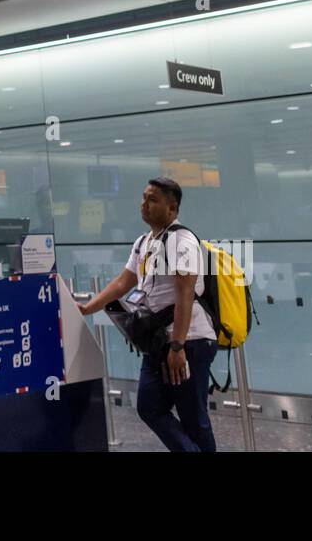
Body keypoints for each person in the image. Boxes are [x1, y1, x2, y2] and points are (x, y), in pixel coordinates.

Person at [77, 177, 217, 452]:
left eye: (152, 200)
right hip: (158, 341)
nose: (144, 204)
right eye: (143, 198)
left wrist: (177, 346)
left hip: (189, 341)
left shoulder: (182, 241)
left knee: (193, 419)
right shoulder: (144, 242)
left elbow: (185, 295)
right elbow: (122, 283)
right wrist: (86, 308)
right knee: (149, 406)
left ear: (172, 208)